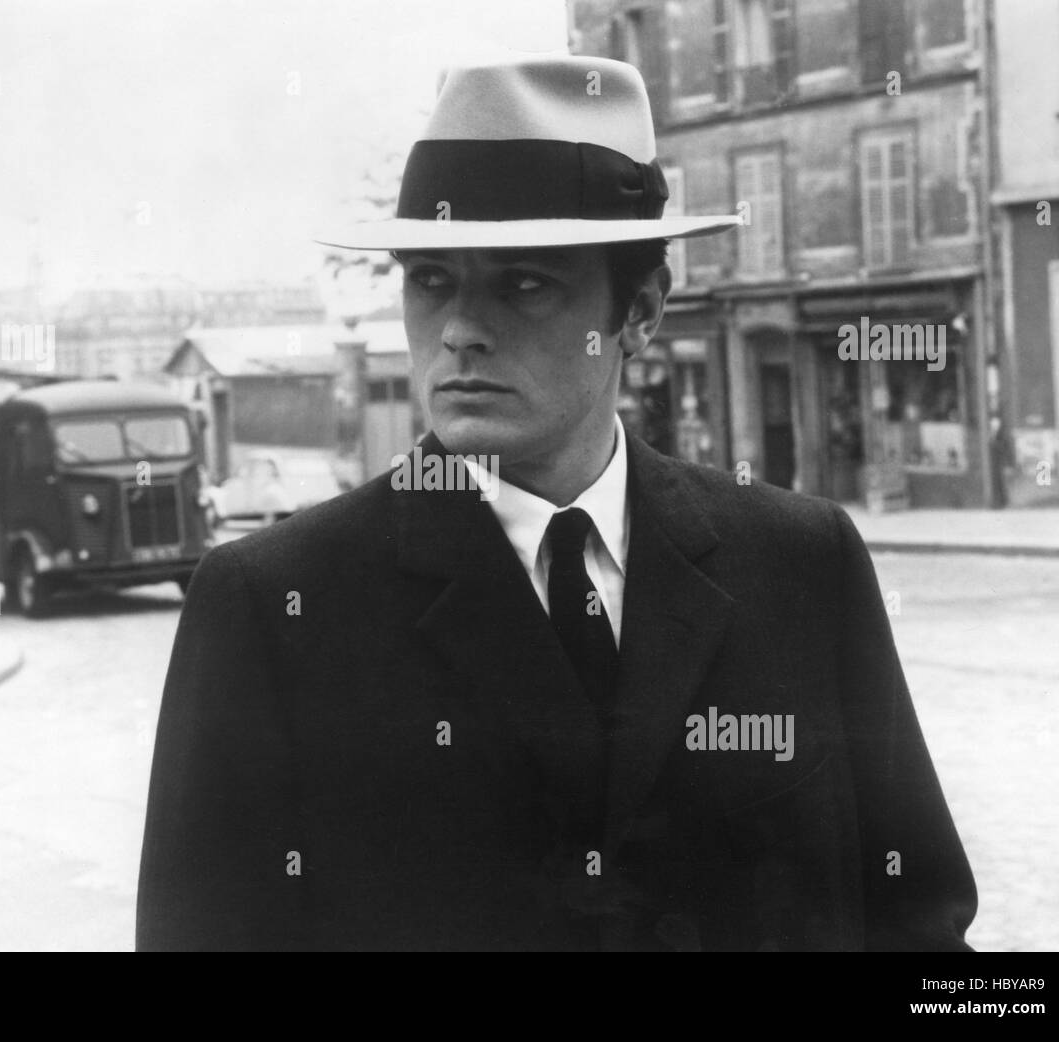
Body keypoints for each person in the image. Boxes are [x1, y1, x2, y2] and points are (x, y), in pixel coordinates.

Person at [136, 54, 976, 951]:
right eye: (430, 280)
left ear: (642, 310)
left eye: (524, 283)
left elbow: (919, 933)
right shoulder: (275, 604)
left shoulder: (803, 562)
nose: (459, 329)